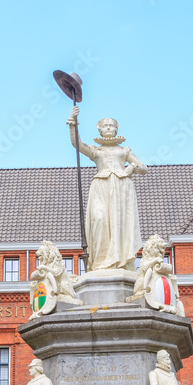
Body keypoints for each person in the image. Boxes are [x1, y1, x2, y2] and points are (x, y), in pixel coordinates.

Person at [67, 105, 147, 272]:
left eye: (112, 126)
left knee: (119, 223)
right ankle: (100, 262)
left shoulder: (124, 151)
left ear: (116, 130)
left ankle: (119, 260)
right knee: (99, 219)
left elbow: (143, 168)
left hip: (121, 188)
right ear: (100, 130)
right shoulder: (96, 150)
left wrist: (130, 169)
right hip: (101, 187)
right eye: (106, 126)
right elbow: (77, 144)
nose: (109, 128)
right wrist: (73, 123)